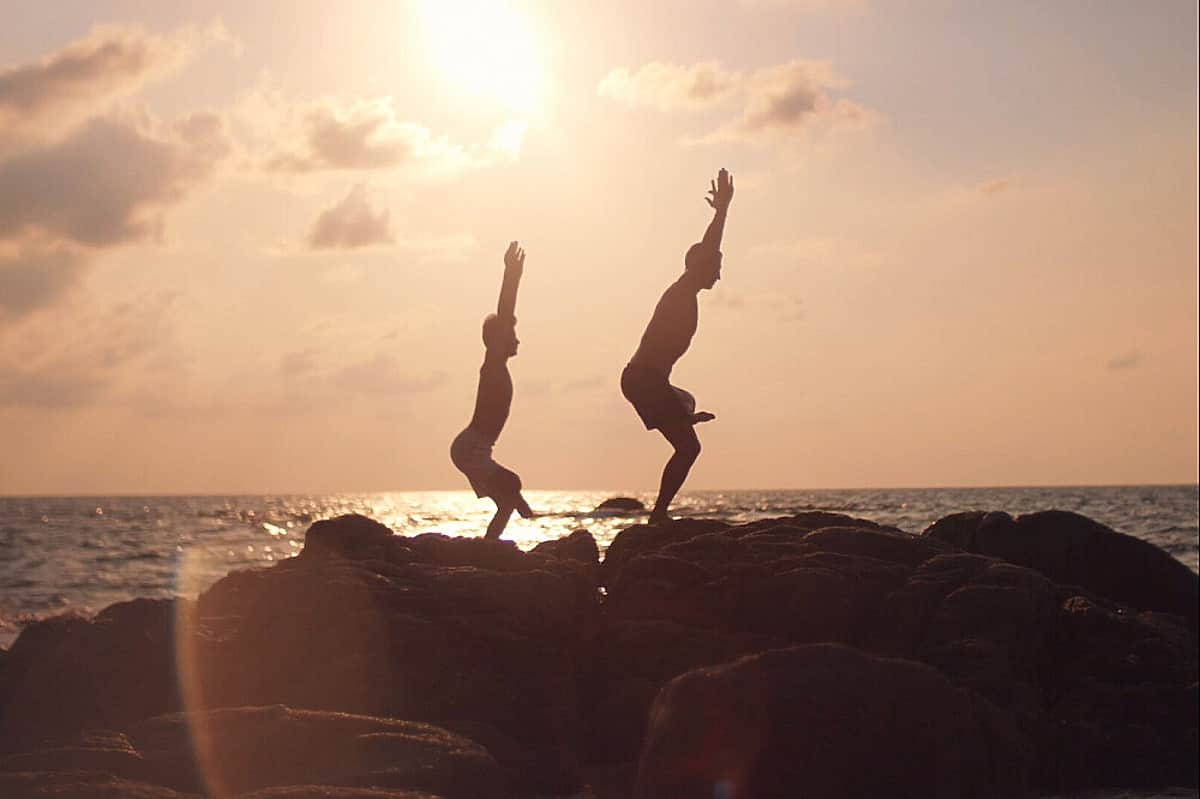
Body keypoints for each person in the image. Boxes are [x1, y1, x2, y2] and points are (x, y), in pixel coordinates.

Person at [621, 168, 734, 525]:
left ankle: (683, 412)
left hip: (649, 380)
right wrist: (720, 213)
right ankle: (658, 516)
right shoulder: (682, 292)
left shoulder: (688, 293)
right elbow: (707, 250)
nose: (718, 274)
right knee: (689, 448)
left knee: (686, 399)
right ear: (697, 267)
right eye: (715, 267)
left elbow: (707, 254)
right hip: (644, 380)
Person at [450, 241, 533, 540]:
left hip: (474, 448)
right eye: (513, 335)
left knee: (507, 498)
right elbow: (505, 310)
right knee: (512, 485)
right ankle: (518, 523)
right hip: (471, 448)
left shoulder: (499, 367)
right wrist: (511, 276)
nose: (518, 341)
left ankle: (495, 542)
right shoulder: (494, 364)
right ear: (498, 339)